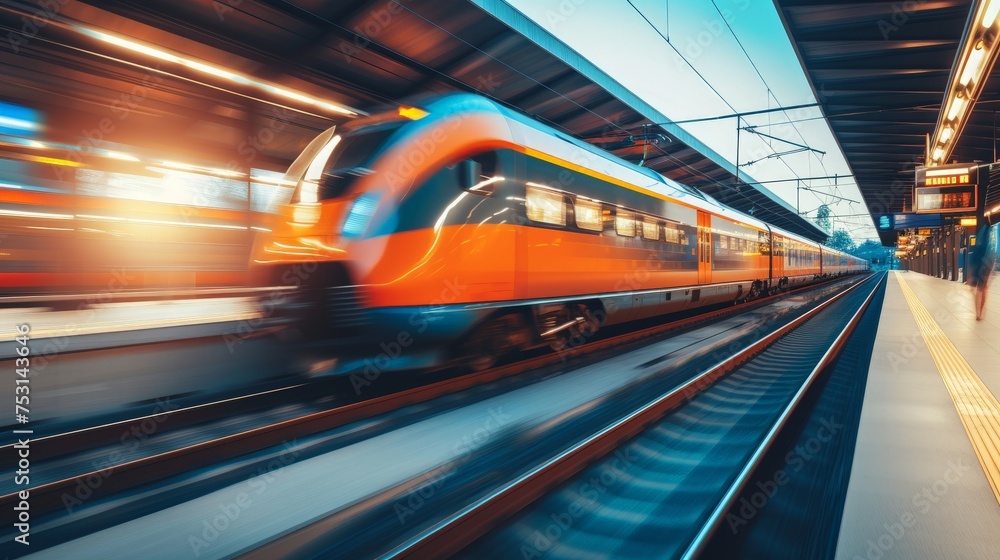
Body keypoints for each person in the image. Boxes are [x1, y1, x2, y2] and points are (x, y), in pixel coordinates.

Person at [968, 221, 997, 320]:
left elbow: (974, 253)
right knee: (983, 288)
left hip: (980, 263)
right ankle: (980, 311)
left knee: (979, 289)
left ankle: (978, 314)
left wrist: (971, 273)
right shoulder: (992, 233)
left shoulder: (980, 234)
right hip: (988, 263)